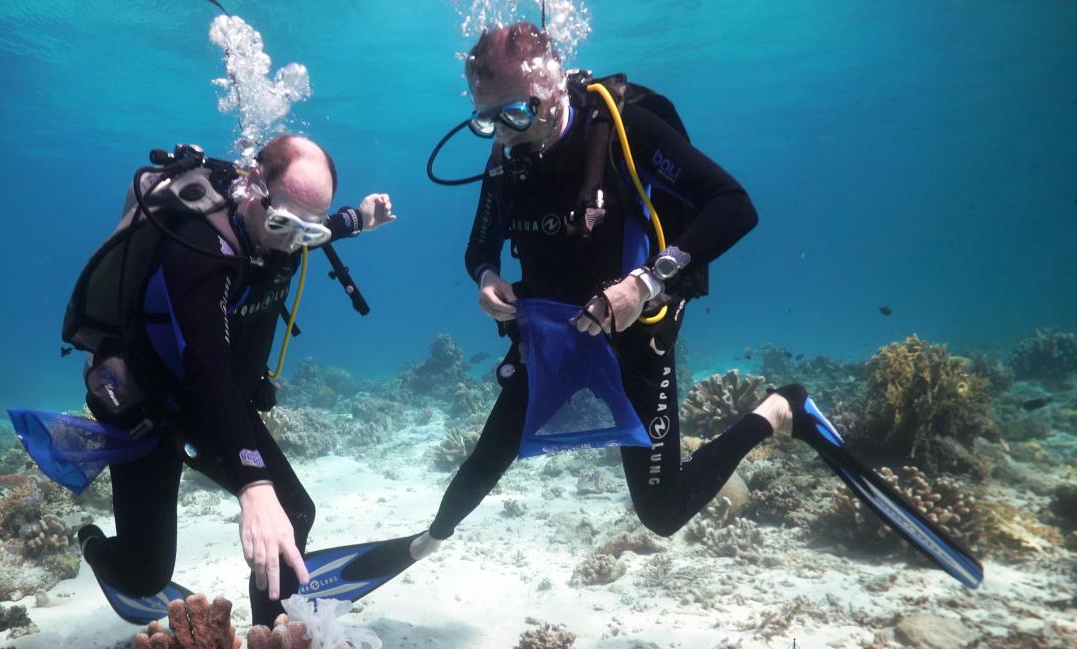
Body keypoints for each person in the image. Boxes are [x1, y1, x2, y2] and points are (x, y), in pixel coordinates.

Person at [300, 20, 982, 602]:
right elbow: (479, 246)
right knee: (492, 448)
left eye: (512, 115)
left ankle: (784, 410)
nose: (500, 136)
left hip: (637, 333)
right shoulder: (506, 157)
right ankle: (424, 543)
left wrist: (647, 283)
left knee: (660, 512)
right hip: (552, 334)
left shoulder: (622, 128)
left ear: (553, 88)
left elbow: (734, 204)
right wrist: (485, 279)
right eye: (484, 119)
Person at [58, 135, 396, 626]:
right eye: (284, 223)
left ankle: (269, 633)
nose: (293, 241)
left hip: (219, 407)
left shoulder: (290, 223)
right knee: (144, 574)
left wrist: (358, 219)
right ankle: (92, 544)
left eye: (310, 232)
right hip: (152, 409)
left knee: (295, 513)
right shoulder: (198, 247)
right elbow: (207, 368)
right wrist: (253, 484)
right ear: (253, 189)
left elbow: (318, 223)